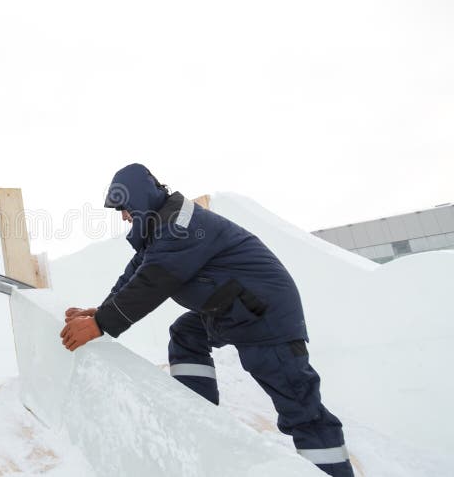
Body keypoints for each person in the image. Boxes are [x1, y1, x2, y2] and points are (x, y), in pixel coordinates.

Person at [60, 163, 354, 477]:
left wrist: (101, 324)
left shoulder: (180, 225)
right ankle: (199, 418)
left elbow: (154, 280)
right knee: (186, 333)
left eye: (124, 209)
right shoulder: (164, 225)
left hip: (264, 316)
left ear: (139, 199)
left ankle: (332, 471)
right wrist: (101, 310)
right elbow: (138, 271)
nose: (123, 217)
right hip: (231, 310)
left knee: (300, 408)